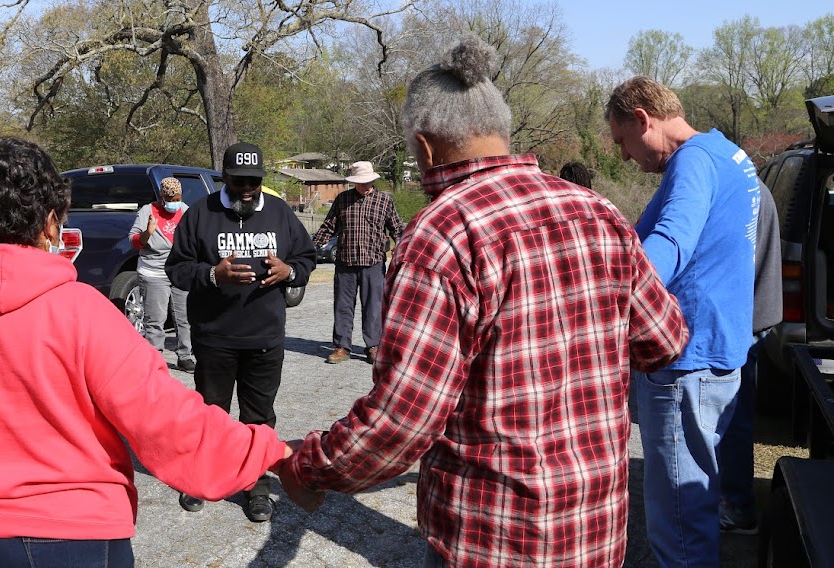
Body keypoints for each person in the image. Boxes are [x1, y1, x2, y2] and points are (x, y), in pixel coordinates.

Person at [278, 37, 689, 567]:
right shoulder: (598, 213)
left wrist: (308, 465)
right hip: (594, 531)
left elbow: (402, 420)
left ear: (425, 148)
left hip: (493, 541)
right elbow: (665, 339)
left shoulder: (442, 235)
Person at [0, 136, 291, 567]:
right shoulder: (87, 314)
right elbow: (168, 423)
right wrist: (270, 451)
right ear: (51, 223)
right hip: (75, 534)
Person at [605, 75, 760, 567]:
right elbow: (639, 236)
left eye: (622, 141)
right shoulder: (725, 153)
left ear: (643, 120)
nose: (625, 157)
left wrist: (602, 302)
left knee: (679, 520)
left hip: (683, 363)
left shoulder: (692, 163)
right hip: (720, 352)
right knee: (696, 496)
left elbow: (668, 243)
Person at [166, 142, 316, 522]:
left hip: (264, 338)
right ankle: (202, 477)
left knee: (259, 417)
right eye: (239, 181)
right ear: (225, 177)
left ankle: (256, 486)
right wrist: (212, 275)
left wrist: (290, 272)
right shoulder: (200, 214)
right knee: (211, 413)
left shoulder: (280, 212)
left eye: (254, 181)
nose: (247, 188)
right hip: (214, 337)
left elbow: (306, 257)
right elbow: (177, 268)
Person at [716, 180, 782, 535]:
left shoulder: (740, 190)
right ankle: (734, 499)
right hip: (756, 313)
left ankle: (739, 507)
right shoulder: (754, 187)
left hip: (746, 318)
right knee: (736, 415)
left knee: (734, 416)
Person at [311, 160, 404, 365]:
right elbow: (328, 227)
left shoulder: (384, 201)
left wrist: (402, 245)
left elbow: (397, 228)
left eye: (368, 181)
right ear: (353, 182)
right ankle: (342, 346)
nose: (365, 185)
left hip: (373, 262)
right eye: (360, 182)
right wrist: (309, 248)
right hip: (345, 261)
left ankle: (373, 346)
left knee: (373, 306)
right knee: (343, 306)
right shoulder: (342, 199)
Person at [129, 177, 195, 371]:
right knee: (155, 319)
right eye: (170, 199)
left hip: (180, 271)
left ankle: (185, 355)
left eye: (177, 199)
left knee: (184, 317)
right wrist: (148, 233)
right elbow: (134, 241)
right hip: (154, 271)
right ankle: (154, 359)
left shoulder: (185, 210)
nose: (174, 203)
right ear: (161, 196)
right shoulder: (147, 211)